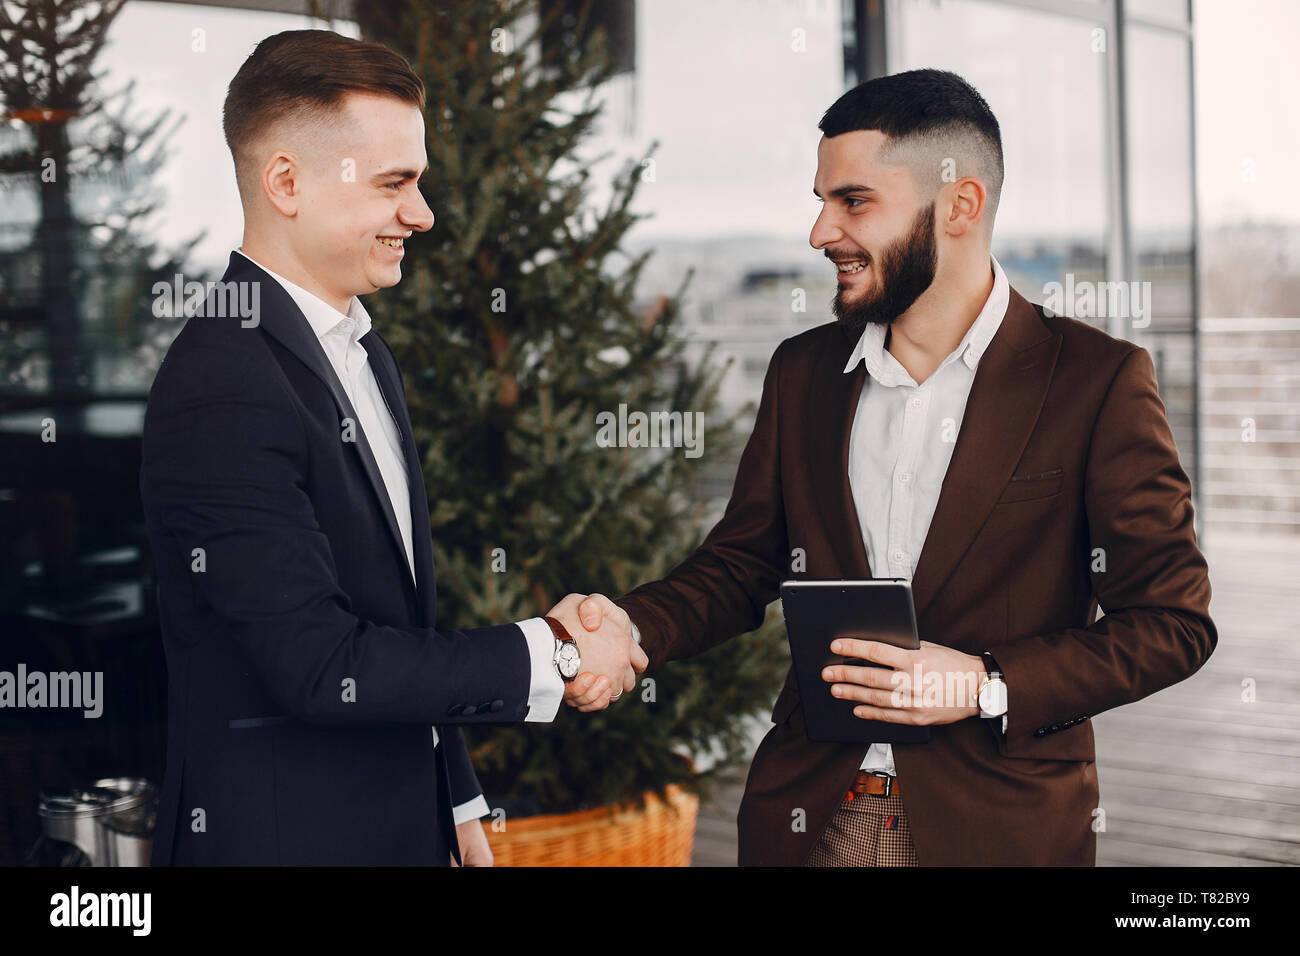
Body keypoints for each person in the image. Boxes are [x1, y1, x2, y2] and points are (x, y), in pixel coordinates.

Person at [573, 68, 1217, 866]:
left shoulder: (1096, 381)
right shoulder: (801, 371)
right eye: (821, 200)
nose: (819, 232)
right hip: (811, 818)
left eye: (853, 202)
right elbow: (742, 565)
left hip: (999, 830)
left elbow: (1173, 624)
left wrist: (984, 682)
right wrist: (629, 627)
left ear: (959, 205)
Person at [139, 29, 643, 867]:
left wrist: (456, 795)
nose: (423, 213)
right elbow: (319, 663)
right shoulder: (221, 383)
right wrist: (552, 649)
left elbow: (395, 620)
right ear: (287, 182)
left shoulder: (363, 349)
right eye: (393, 184)